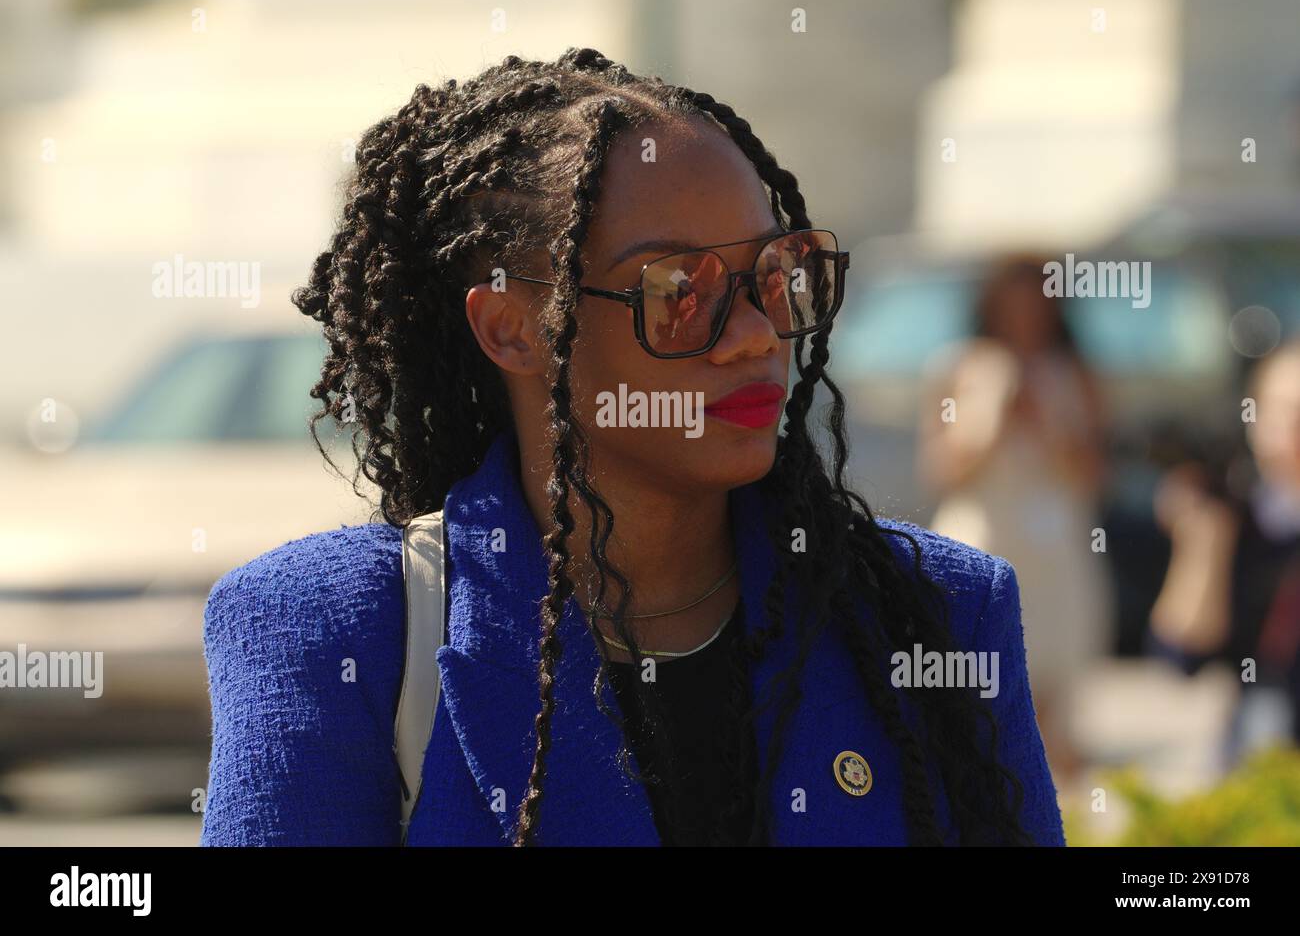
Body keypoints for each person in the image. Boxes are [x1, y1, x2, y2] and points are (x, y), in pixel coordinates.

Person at [199, 48, 1063, 846]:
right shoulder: (337, 631)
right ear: (512, 328)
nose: (756, 335)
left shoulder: (939, 610)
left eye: (775, 273)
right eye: (681, 291)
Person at [919, 256, 1112, 781]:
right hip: (981, 539)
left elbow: (1095, 473)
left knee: (1053, 691)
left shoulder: (1075, 372)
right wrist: (991, 419)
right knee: (972, 693)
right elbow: (942, 469)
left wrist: (1048, 426)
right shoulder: (959, 366)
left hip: (1054, 553)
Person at [1149, 338, 1300, 765]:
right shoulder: (1239, 516)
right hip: (1267, 753)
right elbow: (1181, 655)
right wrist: (1204, 541)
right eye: (1290, 415)